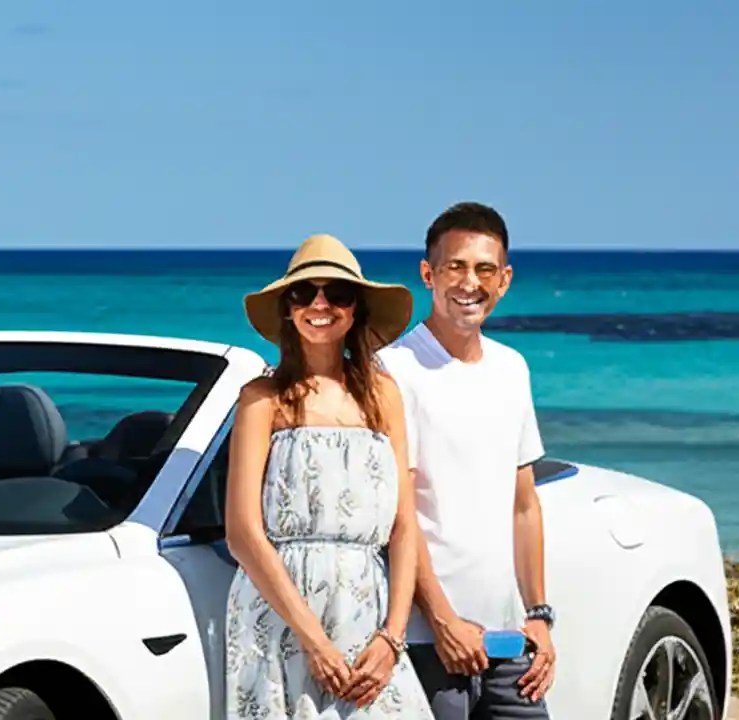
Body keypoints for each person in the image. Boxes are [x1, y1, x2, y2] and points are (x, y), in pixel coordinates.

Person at [224, 233, 434, 719]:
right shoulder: (263, 398)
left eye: (336, 294)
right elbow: (243, 533)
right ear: (288, 309)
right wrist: (312, 640)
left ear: (355, 308)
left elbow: (404, 527)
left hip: (368, 613)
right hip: (280, 618)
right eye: (304, 293)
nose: (320, 304)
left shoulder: (382, 394)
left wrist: (392, 638)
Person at [375, 202, 556, 718]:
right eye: (455, 266)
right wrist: (442, 620)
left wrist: (539, 617)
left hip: (508, 641)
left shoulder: (511, 368)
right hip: (428, 643)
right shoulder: (393, 370)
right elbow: (398, 513)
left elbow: (523, 505)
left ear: (504, 280)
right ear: (428, 274)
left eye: (484, 269)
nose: (469, 282)